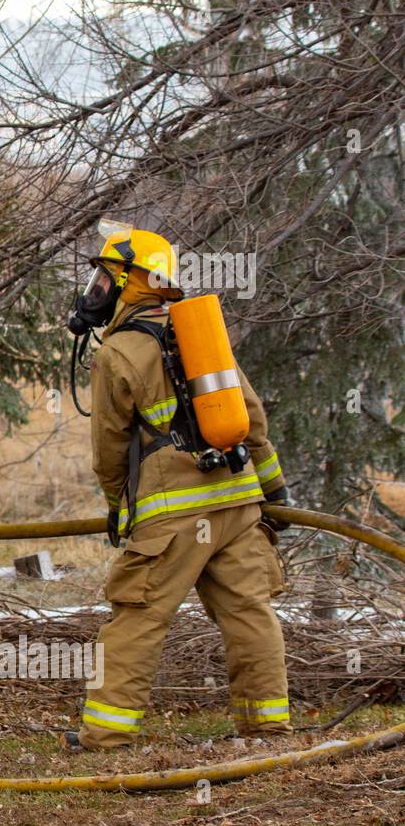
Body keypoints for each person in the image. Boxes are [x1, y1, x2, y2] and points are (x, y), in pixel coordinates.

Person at [64, 224, 292, 751]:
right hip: (237, 502)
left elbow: (109, 448)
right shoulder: (200, 334)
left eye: (105, 277)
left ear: (133, 282)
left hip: (171, 516)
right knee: (249, 611)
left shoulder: (118, 351)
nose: (96, 289)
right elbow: (251, 418)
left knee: (137, 618)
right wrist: (273, 494)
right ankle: (267, 727)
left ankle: (105, 735)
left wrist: (119, 507)